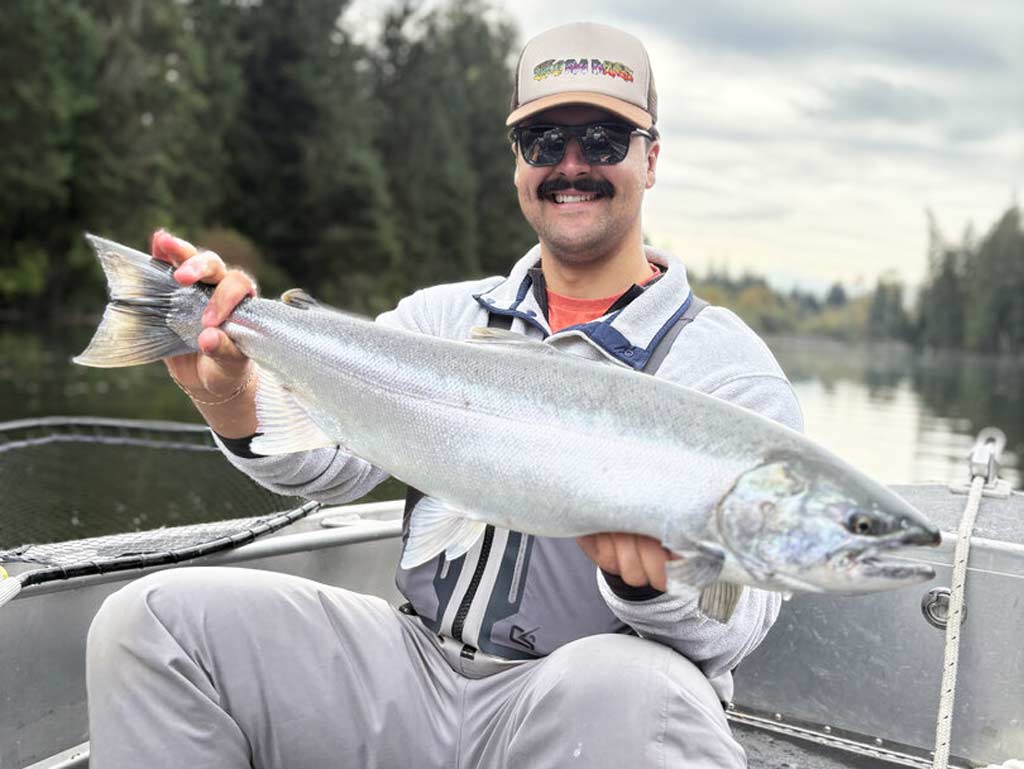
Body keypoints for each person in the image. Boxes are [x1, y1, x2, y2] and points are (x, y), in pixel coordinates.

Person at [86, 21, 802, 769]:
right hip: (414, 669)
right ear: (517, 164)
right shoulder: (440, 318)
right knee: (149, 623)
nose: (571, 165)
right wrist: (228, 392)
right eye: (543, 143)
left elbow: (736, 622)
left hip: (580, 712)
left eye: (602, 139)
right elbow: (332, 466)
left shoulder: (728, 374)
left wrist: (645, 583)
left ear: (650, 159)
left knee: (636, 688)